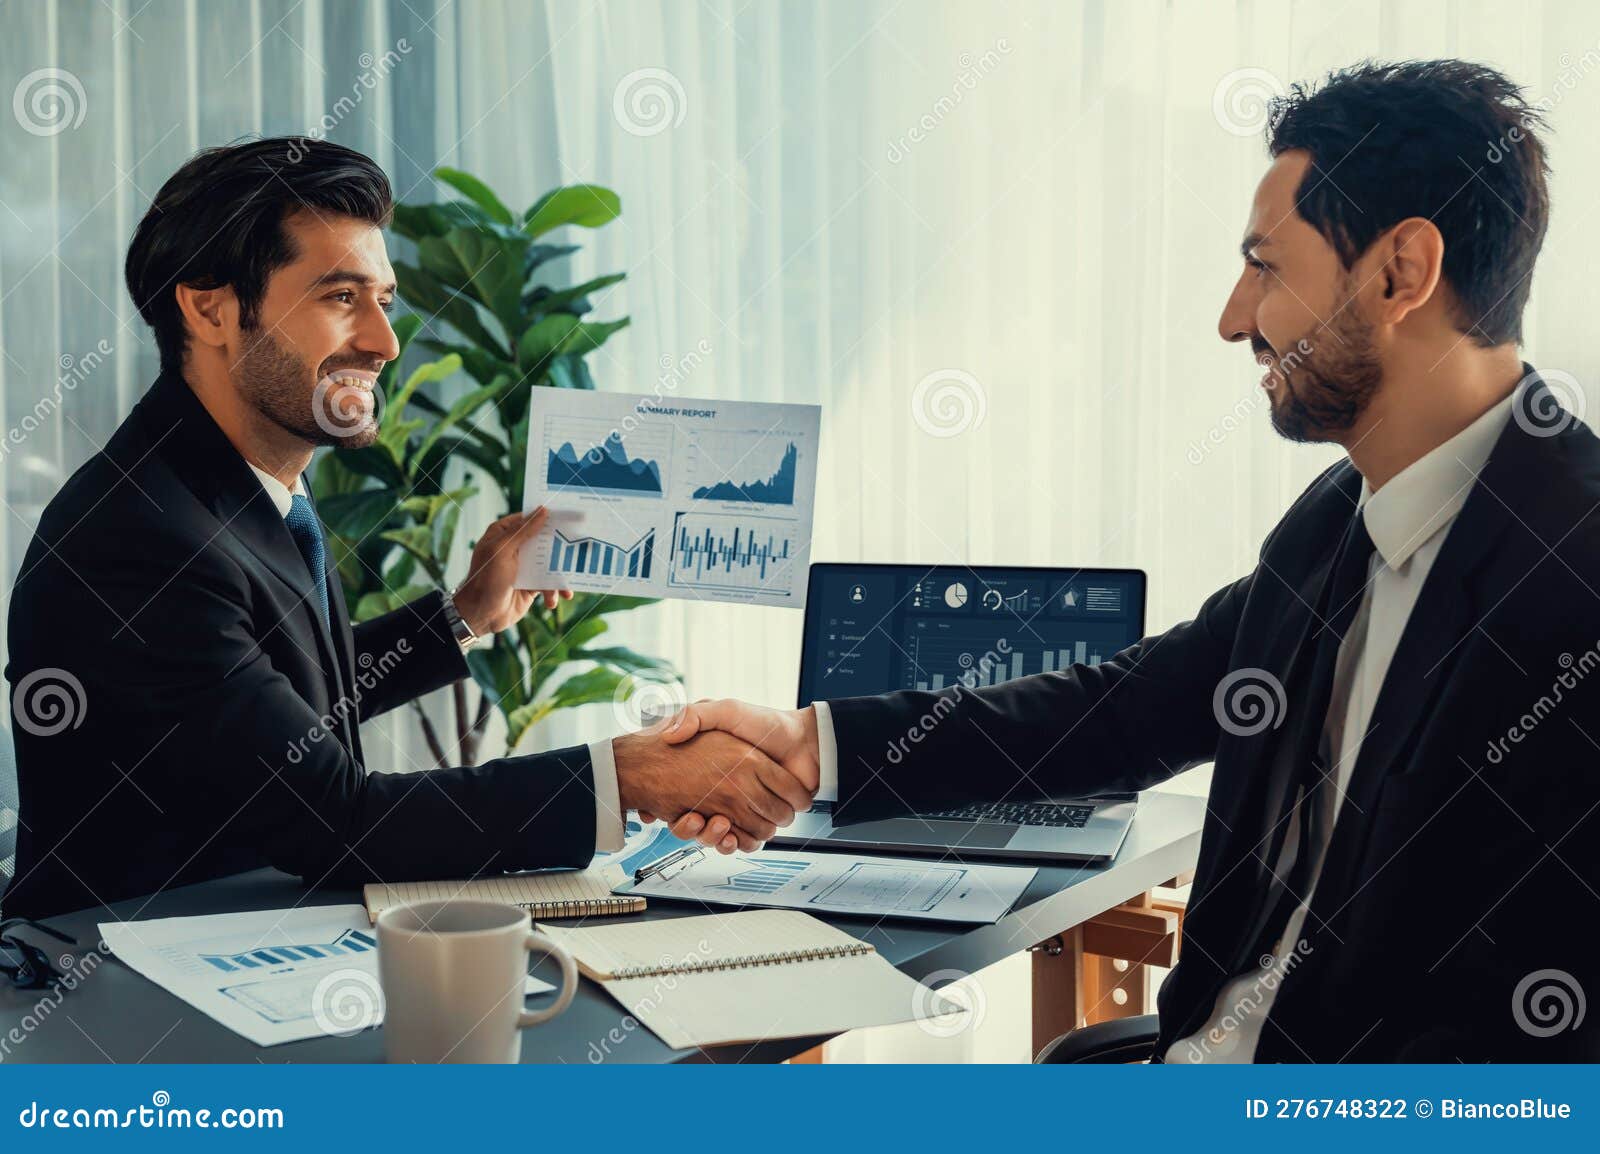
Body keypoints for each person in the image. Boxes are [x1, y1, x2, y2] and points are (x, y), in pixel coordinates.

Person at [657, 61, 1600, 1061]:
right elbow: (1123, 707)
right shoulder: (1334, 524)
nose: (1235, 317)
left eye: (1267, 267)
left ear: (1400, 271)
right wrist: (811, 744)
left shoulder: (1572, 582)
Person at [2, 137, 808, 920]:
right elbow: (335, 817)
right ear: (211, 309)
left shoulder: (230, 483)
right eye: (339, 297)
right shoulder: (138, 539)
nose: (385, 342)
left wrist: (466, 615)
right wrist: (626, 776)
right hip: (122, 999)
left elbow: (267, 693)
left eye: (382, 301)